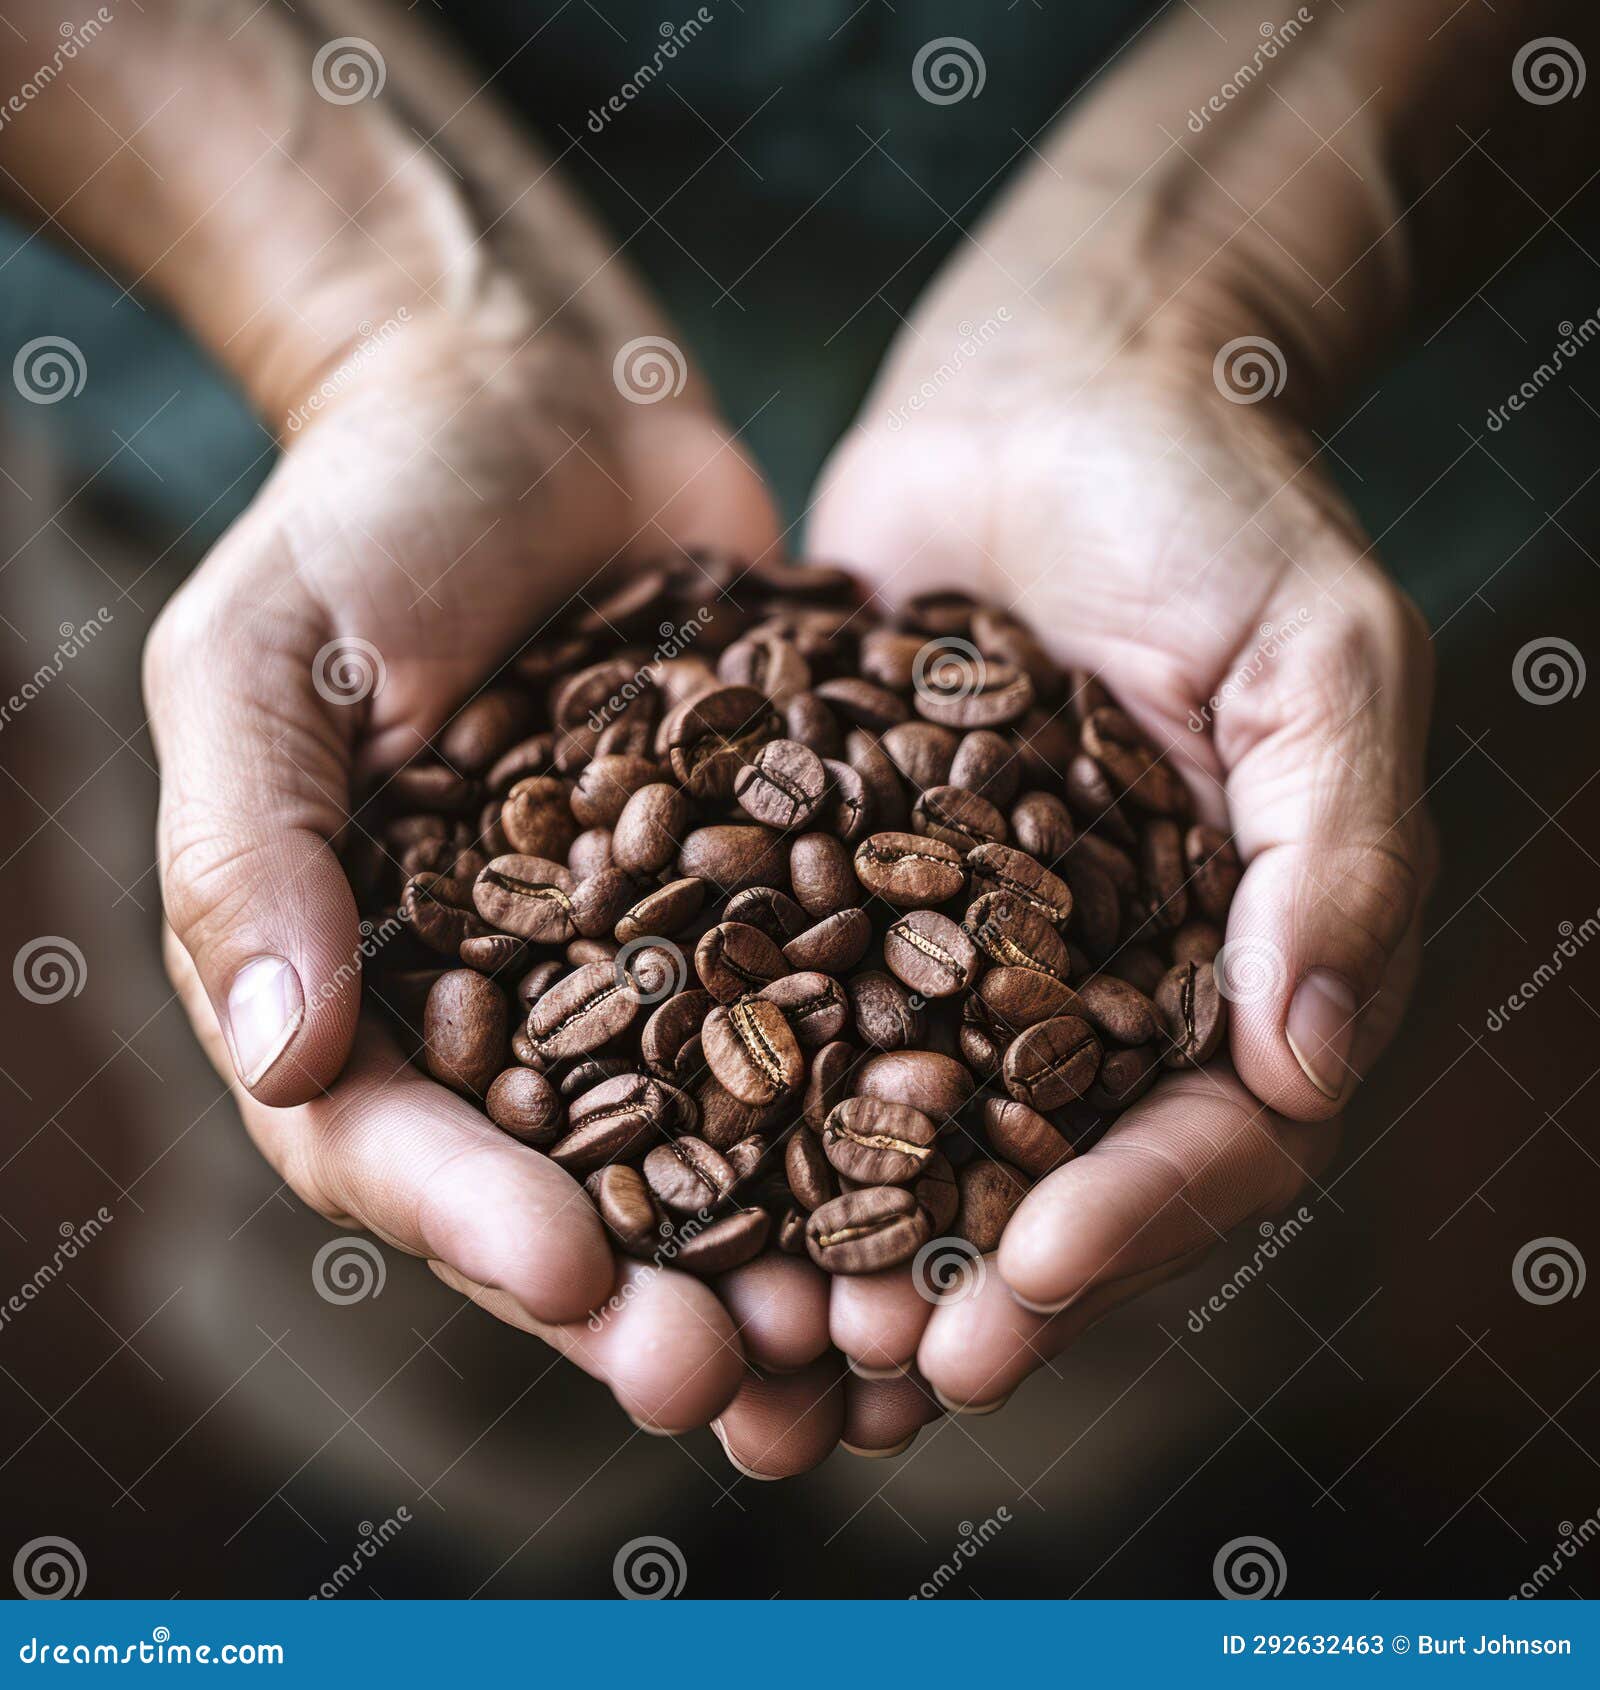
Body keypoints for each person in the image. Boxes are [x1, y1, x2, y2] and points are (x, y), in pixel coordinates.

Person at [1, 0, 1588, 1479]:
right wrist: (386, 337)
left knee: (1133, 1312)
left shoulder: (1060, 815)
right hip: (267, 448)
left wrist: (1203, 313)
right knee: (382, 1294)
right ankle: (407, 1518)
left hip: (1357, 425)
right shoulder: (528, 820)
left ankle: (1071, 1532)